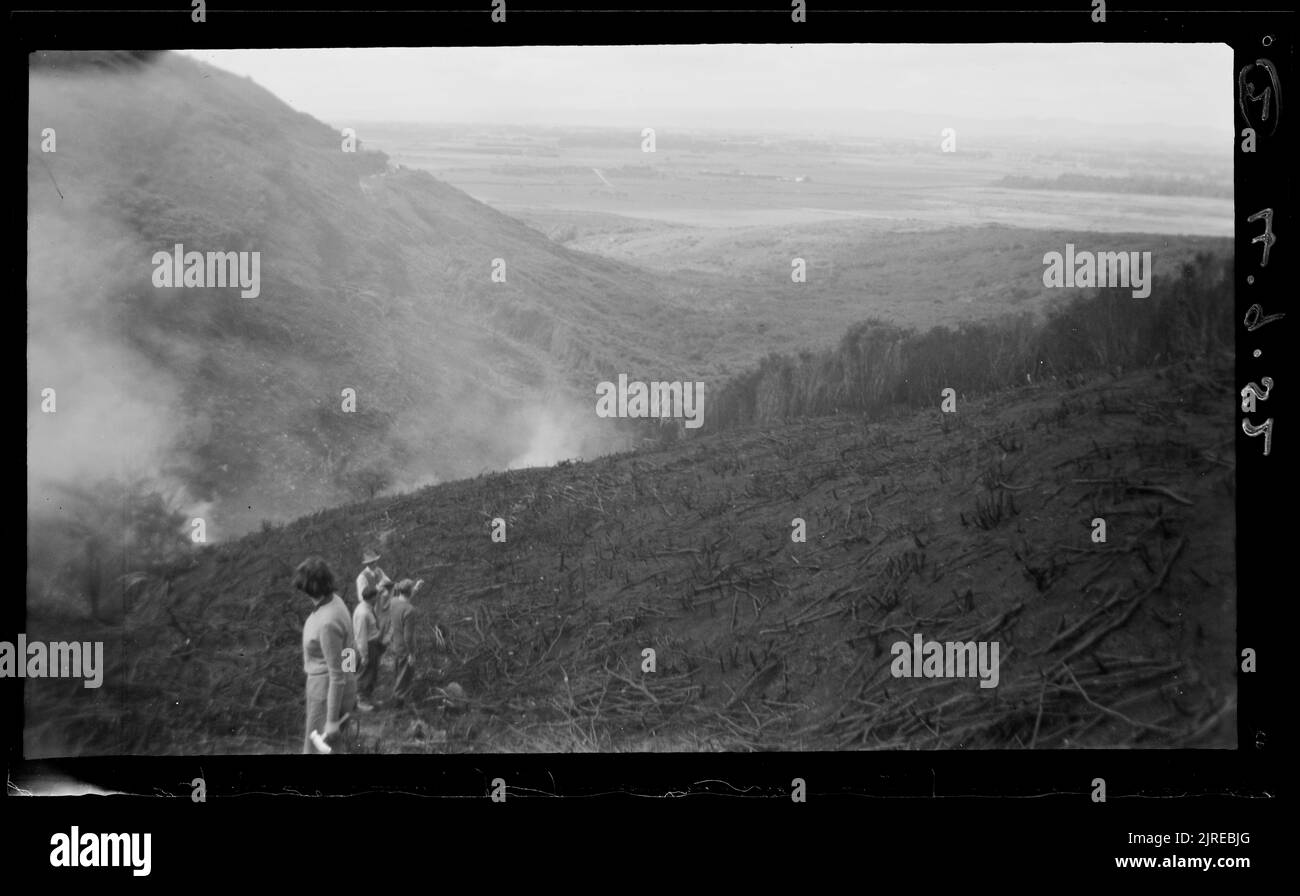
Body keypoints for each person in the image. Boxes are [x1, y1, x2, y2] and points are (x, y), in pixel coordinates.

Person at [294, 556, 358, 754]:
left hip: (325, 694)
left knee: (317, 750)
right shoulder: (336, 602)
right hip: (336, 690)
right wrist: (350, 684)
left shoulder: (327, 621)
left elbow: (336, 674)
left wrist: (331, 720)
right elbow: (349, 652)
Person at [353, 584, 383, 711]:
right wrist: (364, 655)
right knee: (364, 674)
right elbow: (361, 636)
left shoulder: (368, 608)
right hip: (367, 646)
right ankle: (361, 701)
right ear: (371, 597)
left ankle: (369, 697)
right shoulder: (363, 613)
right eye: (376, 597)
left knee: (372, 674)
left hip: (373, 645)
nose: (377, 599)